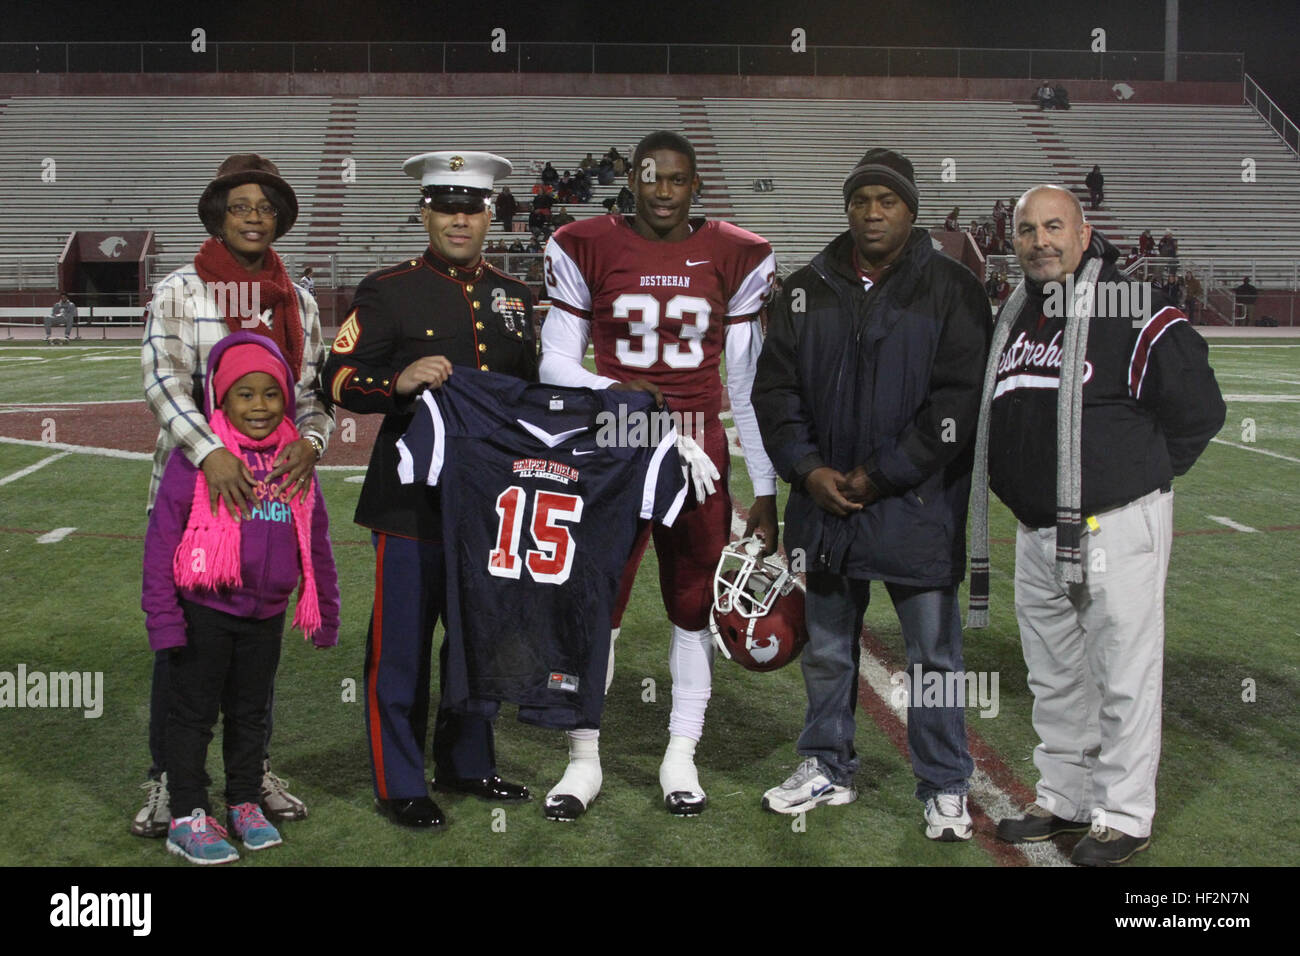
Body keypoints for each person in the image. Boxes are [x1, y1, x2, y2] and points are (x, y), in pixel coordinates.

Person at [968, 185, 1225, 865]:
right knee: (1054, 675)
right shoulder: (1020, 312)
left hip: (1114, 524)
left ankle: (1124, 811)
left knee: (1122, 672)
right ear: (1013, 241)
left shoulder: (1130, 304)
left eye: (1055, 227)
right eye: (1027, 230)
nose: (1041, 241)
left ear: (1085, 236)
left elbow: (1199, 406)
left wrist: (1133, 478)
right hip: (1035, 528)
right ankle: (1065, 798)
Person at [751, 148, 992, 841]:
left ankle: (946, 782)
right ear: (847, 208)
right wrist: (806, 467)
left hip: (916, 506)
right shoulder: (804, 287)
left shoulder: (952, 288)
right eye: (861, 200)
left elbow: (956, 404)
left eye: (887, 200)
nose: (873, 211)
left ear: (912, 210)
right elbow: (775, 392)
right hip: (825, 505)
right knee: (827, 648)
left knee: (935, 658)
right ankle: (827, 763)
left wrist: (880, 473)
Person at [538, 130, 778, 819]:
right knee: (597, 609)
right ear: (632, 182)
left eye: (676, 180)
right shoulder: (588, 244)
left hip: (698, 447)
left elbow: (743, 378)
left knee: (693, 606)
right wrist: (618, 391)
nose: (663, 192)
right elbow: (554, 363)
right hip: (618, 441)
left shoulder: (735, 252)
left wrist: (764, 486)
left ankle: (681, 754)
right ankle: (583, 760)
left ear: (694, 185)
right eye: (651, 178)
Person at [321, 150, 537, 829]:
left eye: (471, 207)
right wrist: (398, 382)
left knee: (480, 642)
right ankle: (400, 780)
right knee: (402, 647)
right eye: (445, 207)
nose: (459, 219)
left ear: (489, 214)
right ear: (424, 213)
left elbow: (530, 394)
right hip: (410, 503)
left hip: (492, 505)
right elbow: (335, 377)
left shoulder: (515, 295)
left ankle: (468, 763)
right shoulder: (388, 290)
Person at [136, 153, 333, 839]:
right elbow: (164, 381)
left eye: (267, 206)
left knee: (256, 647)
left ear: (280, 218)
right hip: (197, 491)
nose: (255, 216)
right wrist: (211, 451)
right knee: (186, 648)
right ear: (219, 213)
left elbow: (311, 398)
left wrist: (313, 443)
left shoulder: (299, 300)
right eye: (242, 205)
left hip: (273, 499)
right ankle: (169, 781)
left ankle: (251, 777)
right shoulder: (181, 290)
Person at [144, 331, 339, 864]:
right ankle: (187, 814)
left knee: (251, 715)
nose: (259, 405)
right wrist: (163, 620)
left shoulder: (296, 461)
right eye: (244, 394)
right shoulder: (201, 461)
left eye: (271, 394)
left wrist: (326, 614)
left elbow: (315, 541)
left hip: (267, 615)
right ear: (222, 400)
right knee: (192, 716)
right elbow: (160, 544)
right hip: (203, 612)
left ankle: (244, 801)